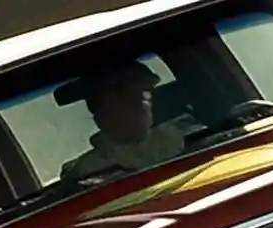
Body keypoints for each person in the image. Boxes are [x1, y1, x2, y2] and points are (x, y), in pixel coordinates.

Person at [59, 60, 203, 181]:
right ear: (99, 116)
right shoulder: (86, 173)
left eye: (144, 97)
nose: (139, 108)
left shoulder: (194, 137)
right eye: (126, 99)